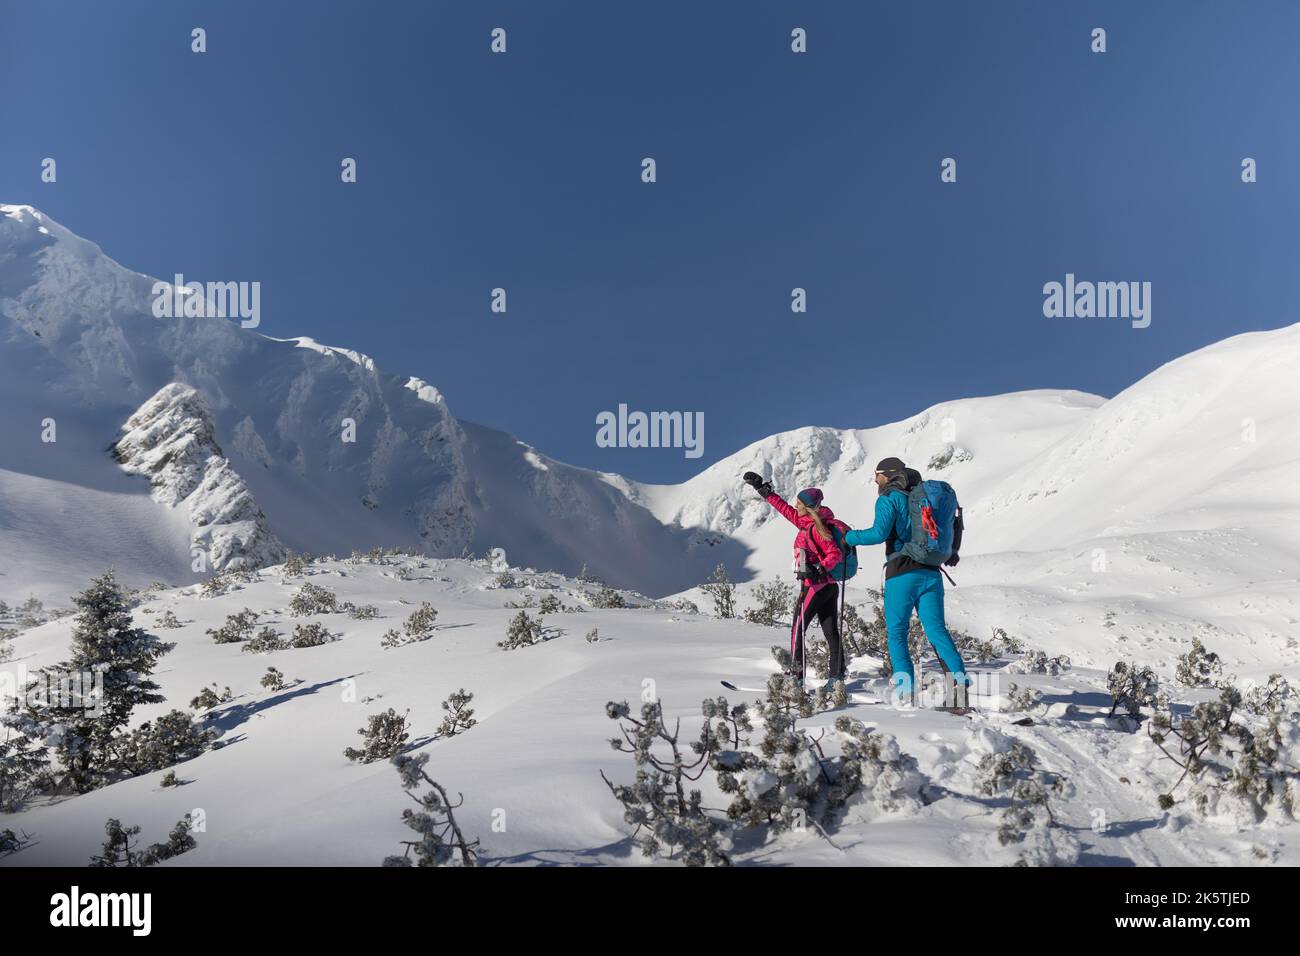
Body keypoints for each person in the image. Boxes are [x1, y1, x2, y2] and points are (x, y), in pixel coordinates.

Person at [843, 457, 969, 707]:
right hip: (932, 572)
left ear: (888, 475)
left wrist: (849, 537)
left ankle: (905, 694)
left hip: (901, 573)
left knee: (897, 635)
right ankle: (959, 693)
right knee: (937, 631)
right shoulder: (923, 499)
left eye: (877, 474)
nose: (875, 479)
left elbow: (878, 534)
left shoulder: (890, 498)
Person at [742, 471, 847, 692]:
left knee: (797, 629)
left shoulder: (817, 529)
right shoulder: (806, 522)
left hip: (814, 586)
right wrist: (764, 491)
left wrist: (818, 568)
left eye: (799, 502)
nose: (795, 505)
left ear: (807, 507)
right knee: (830, 632)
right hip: (829, 587)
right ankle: (836, 678)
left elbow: (834, 554)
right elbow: (784, 510)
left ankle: (796, 678)